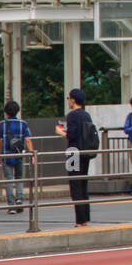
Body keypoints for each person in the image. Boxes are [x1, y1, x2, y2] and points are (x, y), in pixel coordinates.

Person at [57, 88, 95, 226]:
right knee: (83, 185)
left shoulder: (72, 115)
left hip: (73, 153)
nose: (68, 101)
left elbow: (71, 136)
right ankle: (85, 217)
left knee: (75, 186)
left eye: (68, 98)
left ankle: (80, 220)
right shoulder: (86, 115)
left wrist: (60, 132)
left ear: (73, 100)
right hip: (85, 152)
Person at [0, 99, 33, 213]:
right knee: (19, 178)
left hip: (6, 155)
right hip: (18, 154)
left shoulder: (2, 124)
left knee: (9, 179)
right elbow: (27, 140)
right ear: (17, 111)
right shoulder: (23, 124)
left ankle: (11, 205)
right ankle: (19, 199)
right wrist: (32, 154)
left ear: (6, 112)